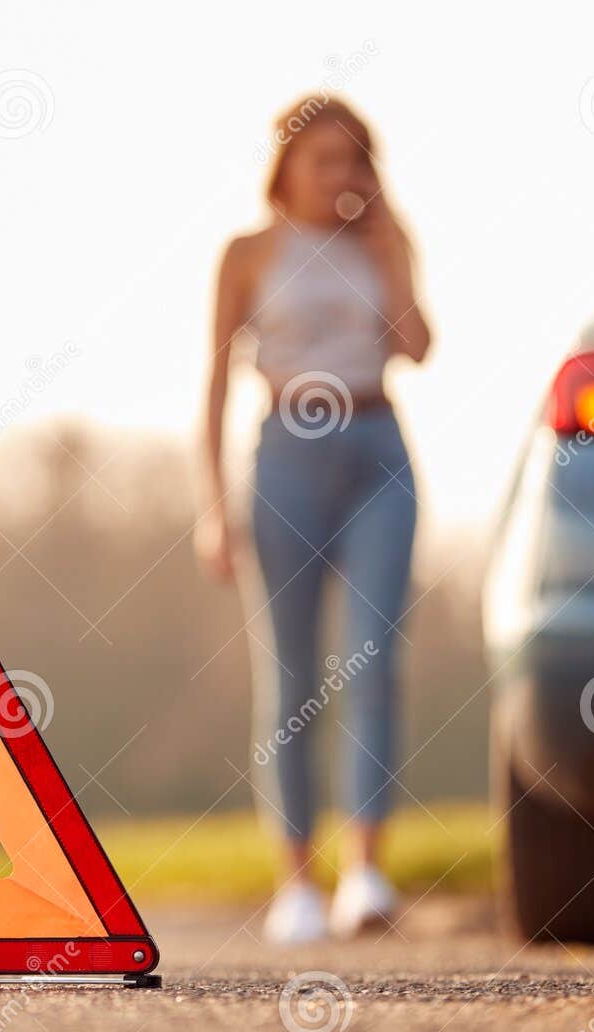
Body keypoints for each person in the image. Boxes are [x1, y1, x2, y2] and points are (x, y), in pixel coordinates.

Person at [195, 96, 432, 944]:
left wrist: (391, 244)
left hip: (378, 450)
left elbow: (418, 345)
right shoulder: (249, 253)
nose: (340, 175)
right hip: (286, 458)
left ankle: (364, 873)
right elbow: (214, 381)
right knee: (291, 679)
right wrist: (212, 505)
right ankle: (296, 882)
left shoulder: (382, 241)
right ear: (286, 166)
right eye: (324, 159)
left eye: (354, 160)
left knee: (373, 664)